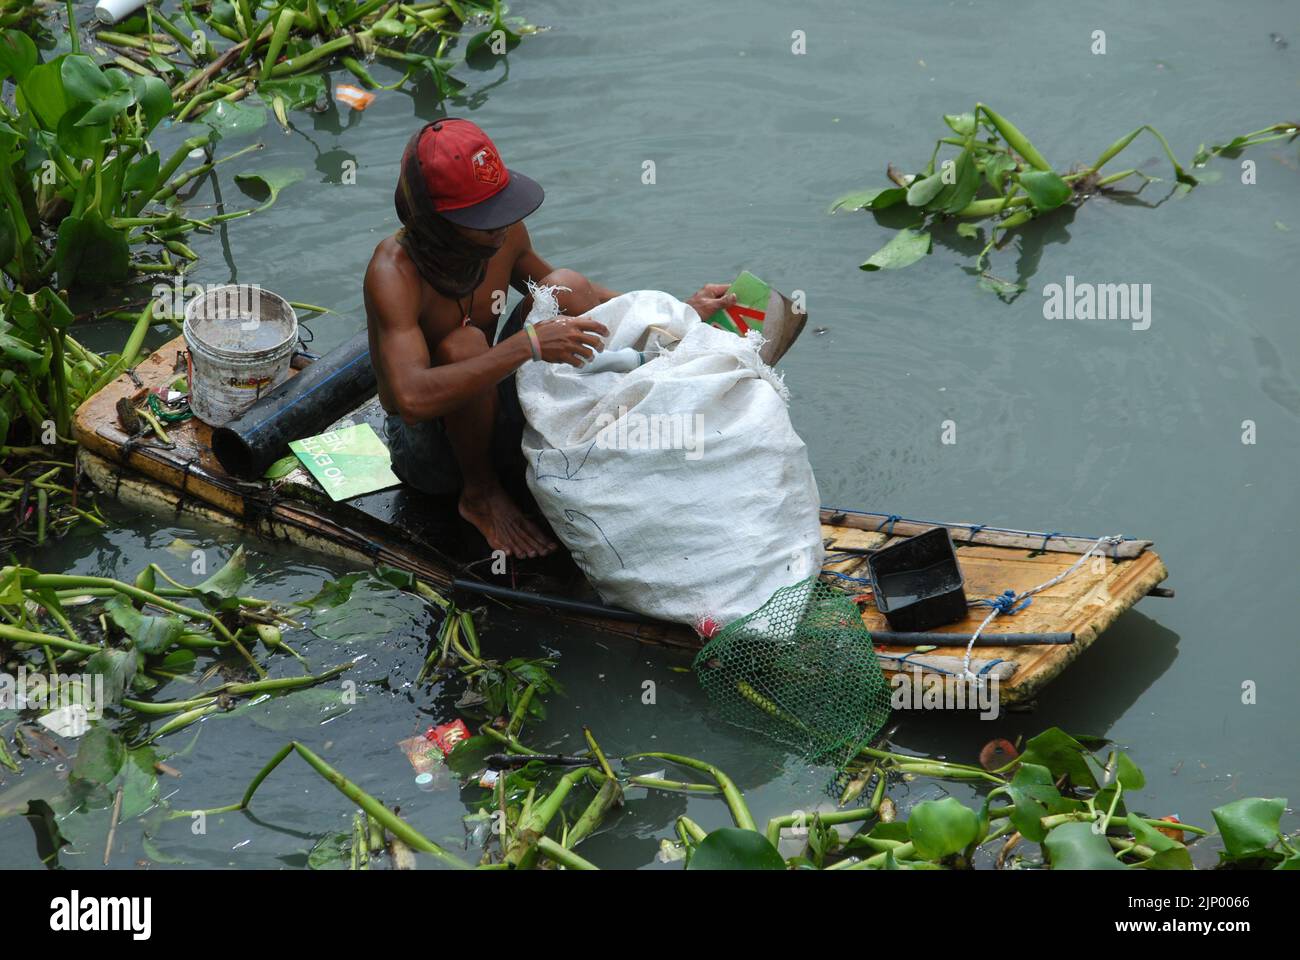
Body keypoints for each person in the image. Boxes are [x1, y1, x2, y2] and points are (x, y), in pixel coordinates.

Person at [364, 118, 737, 558]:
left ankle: (552, 453)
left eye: (501, 212)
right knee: (462, 344)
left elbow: (588, 299)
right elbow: (409, 398)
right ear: (436, 223)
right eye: (483, 221)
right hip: (431, 451)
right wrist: (528, 345)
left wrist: (679, 309)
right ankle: (481, 495)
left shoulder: (504, 235)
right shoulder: (393, 273)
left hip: (487, 412)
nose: (501, 228)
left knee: (566, 286)